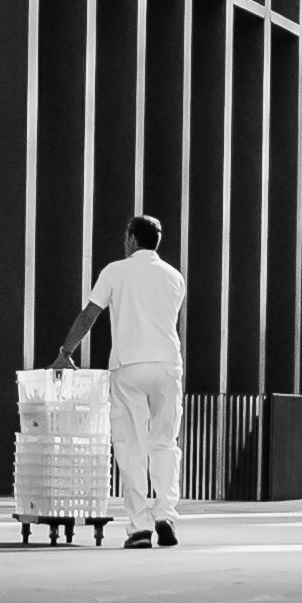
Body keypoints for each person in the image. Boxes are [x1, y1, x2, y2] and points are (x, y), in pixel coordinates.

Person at [53, 214, 185, 550]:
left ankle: (140, 528)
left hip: (129, 367)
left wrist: (65, 351)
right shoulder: (174, 277)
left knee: (131, 447)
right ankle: (165, 516)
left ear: (130, 238)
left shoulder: (115, 271)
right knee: (165, 444)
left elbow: (90, 315)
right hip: (168, 367)